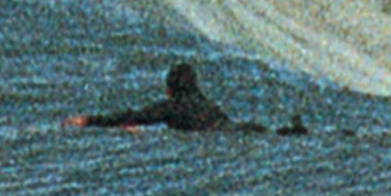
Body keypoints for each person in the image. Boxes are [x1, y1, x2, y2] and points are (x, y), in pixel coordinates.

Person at [72, 60, 306, 134]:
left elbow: (138, 115)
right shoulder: (205, 103)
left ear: (170, 89)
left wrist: (90, 121)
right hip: (244, 128)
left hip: (223, 135)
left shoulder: (172, 107)